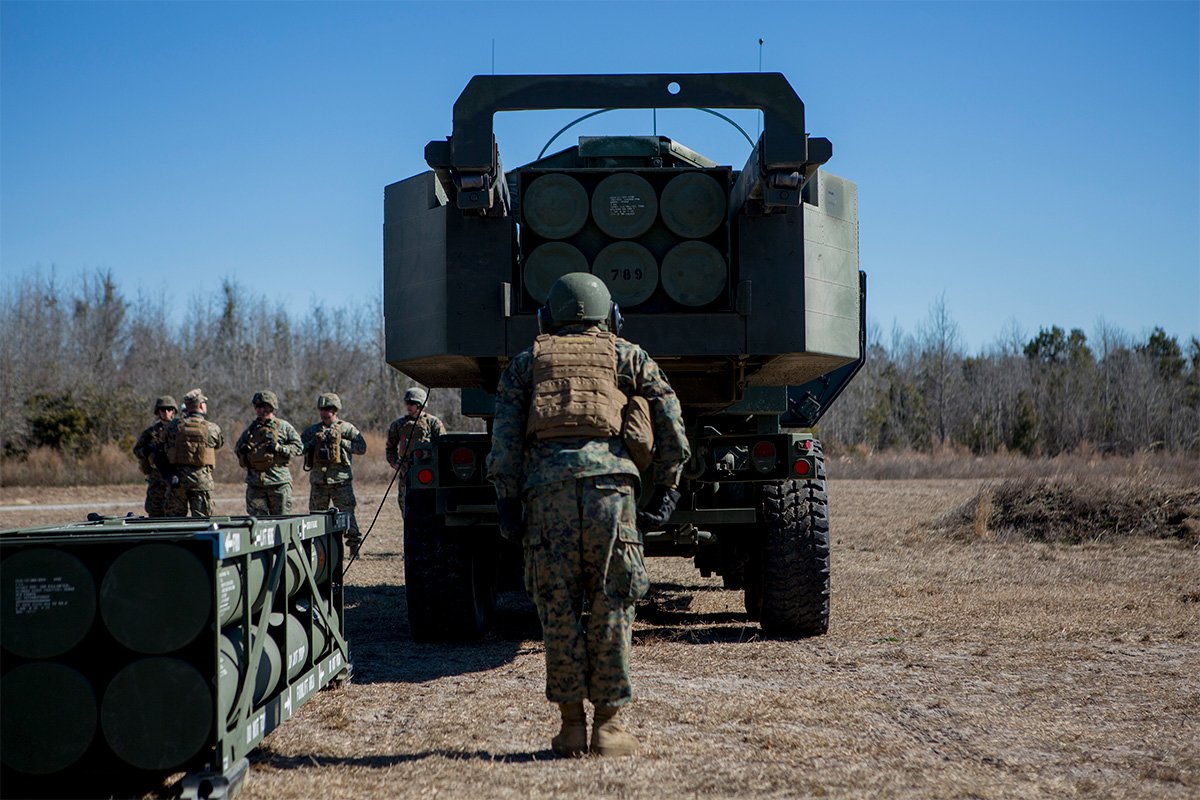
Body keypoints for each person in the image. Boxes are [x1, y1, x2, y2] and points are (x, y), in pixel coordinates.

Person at [486, 272, 690, 758]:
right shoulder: (627, 355)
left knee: (556, 606)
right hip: (612, 495)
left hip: (546, 493)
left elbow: (506, 439)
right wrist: (668, 482)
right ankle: (611, 727)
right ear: (610, 316)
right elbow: (670, 418)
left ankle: (571, 726)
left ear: (547, 316)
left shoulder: (526, 362)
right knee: (613, 603)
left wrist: (506, 500)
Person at [302, 393, 367, 555]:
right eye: (322, 409)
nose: (325, 413)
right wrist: (313, 443)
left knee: (348, 516)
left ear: (335, 410)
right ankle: (317, 550)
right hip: (319, 483)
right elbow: (299, 448)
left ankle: (353, 548)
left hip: (341, 481)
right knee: (315, 518)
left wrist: (341, 441)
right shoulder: (313, 430)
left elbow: (361, 448)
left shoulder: (346, 428)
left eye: (328, 409)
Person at [234, 390, 304, 516]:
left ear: (270, 407)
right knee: (258, 523)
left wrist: (279, 448)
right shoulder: (251, 429)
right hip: (256, 485)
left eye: (262, 406)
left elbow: (298, 447)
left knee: (282, 524)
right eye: (257, 406)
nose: (259, 410)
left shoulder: (283, 427)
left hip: (278, 483)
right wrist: (243, 449)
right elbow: (237, 448)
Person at [385, 387, 445, 517]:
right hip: (406, 471)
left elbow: (443, 446)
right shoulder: (398, 424)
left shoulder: (433, 422)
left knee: (430, 507)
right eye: (407, 403)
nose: (408, 406)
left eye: (412, 403)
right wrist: (395, 463)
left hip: (428, 471)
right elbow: (390, 448)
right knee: (406, 507)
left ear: (420, 404)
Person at [164, 389, 225, 517]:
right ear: (202, 406)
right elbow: (219, 444)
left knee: (174, 522)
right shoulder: (212, 428)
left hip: (177, 481)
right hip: (201, 481)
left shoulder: (173, 426)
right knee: (202, 521)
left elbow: (165, 444)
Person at [132, 395, 177, 517]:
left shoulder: (180, 430)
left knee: (175, 513)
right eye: (163, 410)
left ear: (173, 411)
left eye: (169, 409)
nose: (166, 412)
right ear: (158, 412)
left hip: (175, 476)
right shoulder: (151, 433)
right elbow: (137, 450)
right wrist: (147, 451)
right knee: (155, 511)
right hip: (157, 478)